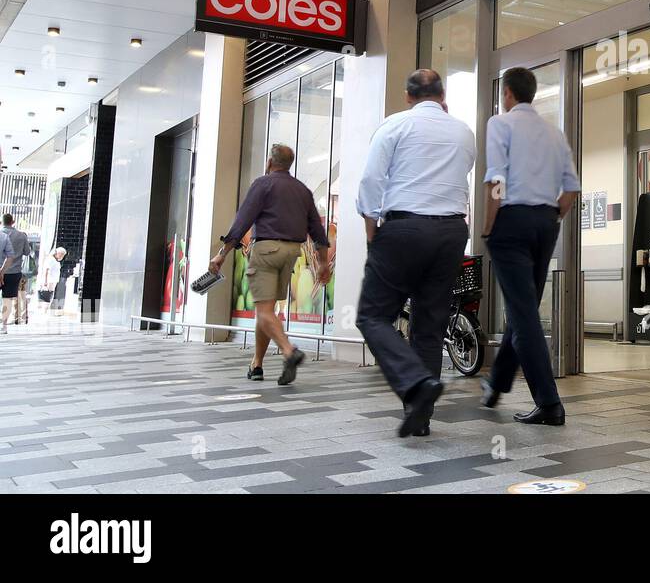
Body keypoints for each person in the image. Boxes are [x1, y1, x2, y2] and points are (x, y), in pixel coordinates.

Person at [355, 69, 474, 438]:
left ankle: (414, 383)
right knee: (430, 324)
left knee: (373, 316)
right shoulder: (463, 131)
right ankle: (419, 416)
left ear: (408, 97)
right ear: (442, 96)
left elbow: (371, 181)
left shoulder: (394, 126)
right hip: (452, 231)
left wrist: (373, 233)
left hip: (405, 228)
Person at [480, 67, 579, 426]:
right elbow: (570, 188)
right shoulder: (554, 132)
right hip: (546, 222)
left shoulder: (500, 124)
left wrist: (490, 225)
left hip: (511, 221)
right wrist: (553, 217)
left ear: (507, 93)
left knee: (523, 314)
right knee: (523, 308)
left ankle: (549, 402)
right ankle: (497, 383)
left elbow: (496, 178)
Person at [209, 143, 328, 385]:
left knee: (263, 311)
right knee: (266, 312)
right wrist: (323, 263)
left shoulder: (263, 184)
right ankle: (257, 365)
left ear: (269, 162)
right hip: (291, 254)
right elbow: (317, 229)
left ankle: (289, 352)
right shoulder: (303, 190)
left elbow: (243, 219)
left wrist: (222, 253)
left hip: (266, 250)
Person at [0, 225, 17, 333]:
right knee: (7, 300)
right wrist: (2, 271)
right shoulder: (4, 237)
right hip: (10, 273)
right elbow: (10, 256)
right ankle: (4, 325)